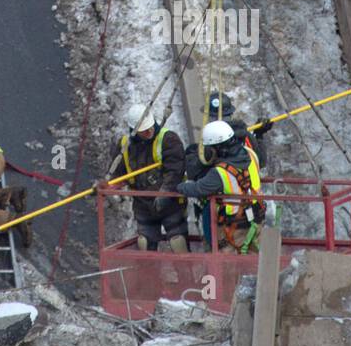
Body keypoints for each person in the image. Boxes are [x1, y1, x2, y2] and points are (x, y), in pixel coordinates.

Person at [109, 105, 188, 254]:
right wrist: (107, 186)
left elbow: (175, 171)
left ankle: (186, 276)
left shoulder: (168, 140)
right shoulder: (125, 146)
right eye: (144, 130)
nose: (149, 131)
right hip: (143, 204)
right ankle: (150, 275)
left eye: (150, 127)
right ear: (134, 130)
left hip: (171, 204)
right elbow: (117, 175)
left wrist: (164, 193)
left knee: (178, 243)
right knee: (145, 244)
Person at [178, 120, 265, 254]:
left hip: (235, 226)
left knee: (227, 263)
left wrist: (180, 187)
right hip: (257, 218)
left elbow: (197, 189)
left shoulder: (219, 172)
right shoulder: (250, 153)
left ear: (218, 147)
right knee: (254, 259)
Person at [207, 90, 273, 169]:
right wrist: (259, 135)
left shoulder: (211, 141)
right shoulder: (244, 135)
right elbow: (261, 162)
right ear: (231, 114)